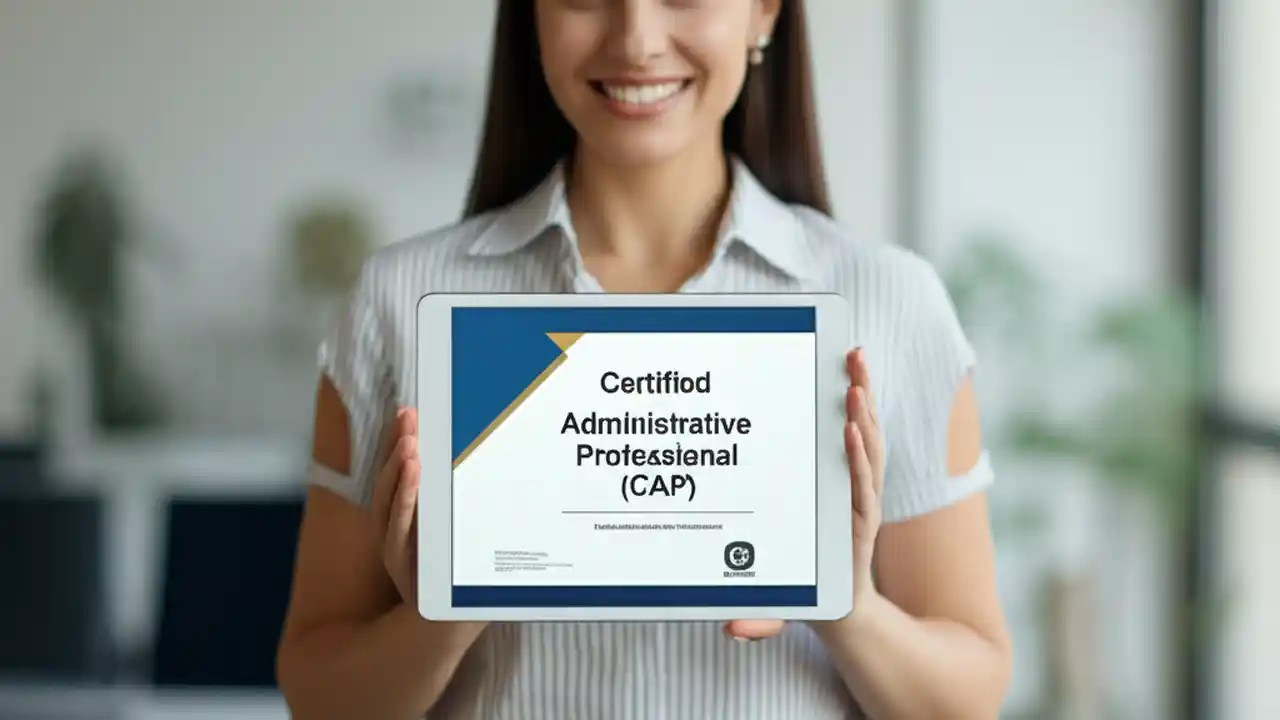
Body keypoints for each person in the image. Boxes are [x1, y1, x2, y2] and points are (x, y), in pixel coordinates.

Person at [275, 1, 1012, 717]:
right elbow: (319, 694)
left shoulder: (889, 301)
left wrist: (845, 606)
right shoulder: (399, 300)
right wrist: (445, 608)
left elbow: (968, 698)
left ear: (764, 12)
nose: (635, 38)